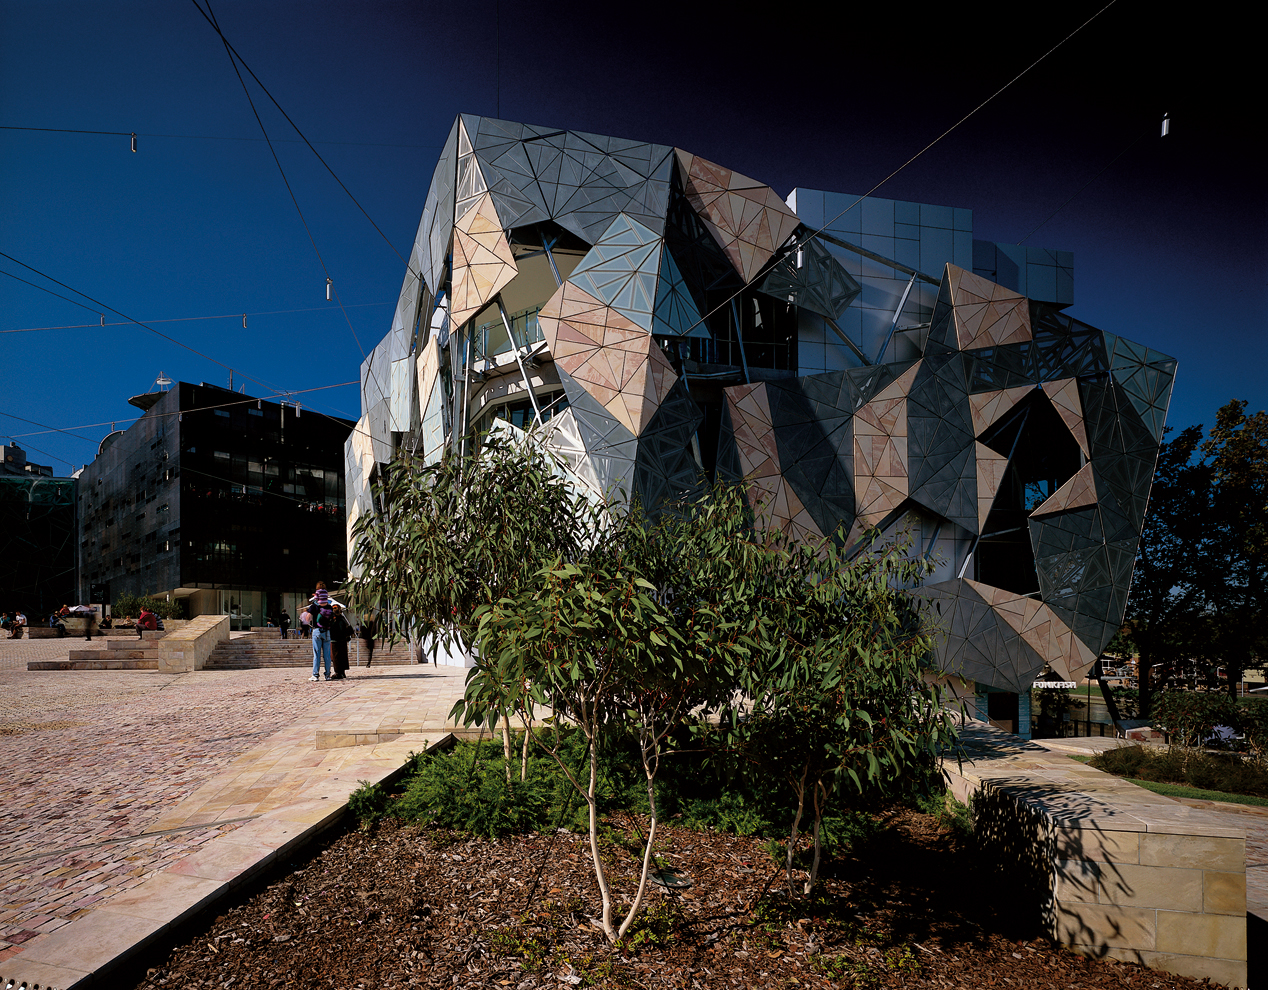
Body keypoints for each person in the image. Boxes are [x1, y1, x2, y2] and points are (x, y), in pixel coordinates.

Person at [308, 581, 333, 682]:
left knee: (317, 654)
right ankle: (327, 675)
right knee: (327, 655)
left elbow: (308, 618)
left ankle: (315, 675)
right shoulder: (329, 607)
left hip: (317, 631)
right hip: (327, 632)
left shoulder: (315, 606)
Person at [329, 604, 353, 679]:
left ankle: (338, 672)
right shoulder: (342, 618)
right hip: (342, 640)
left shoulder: (333, 618)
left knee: (336, 657)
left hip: (335, 640)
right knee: (342, 656)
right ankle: (342, 672)